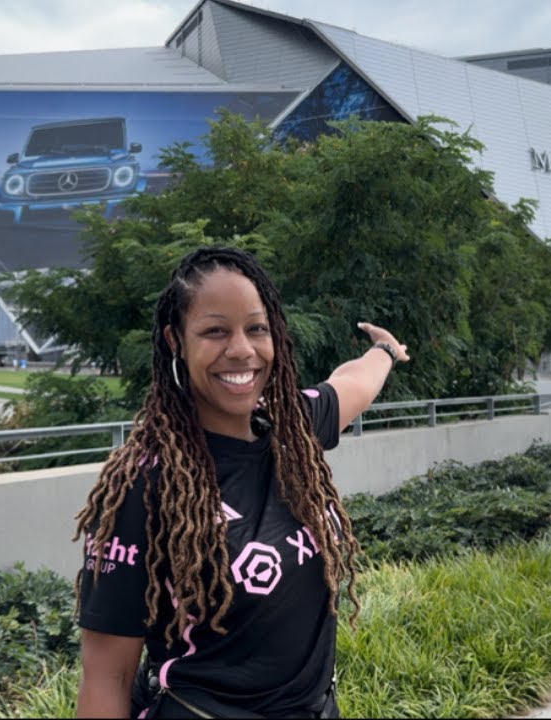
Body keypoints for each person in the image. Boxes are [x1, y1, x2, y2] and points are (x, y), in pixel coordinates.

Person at [74, 247, 409, 719]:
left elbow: (352, 383)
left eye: (256, 329)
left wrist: (385, 350)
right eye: (215, 331)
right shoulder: (144, 484)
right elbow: (107, 677)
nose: (241, 349)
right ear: (175, 340)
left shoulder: (291, 428)